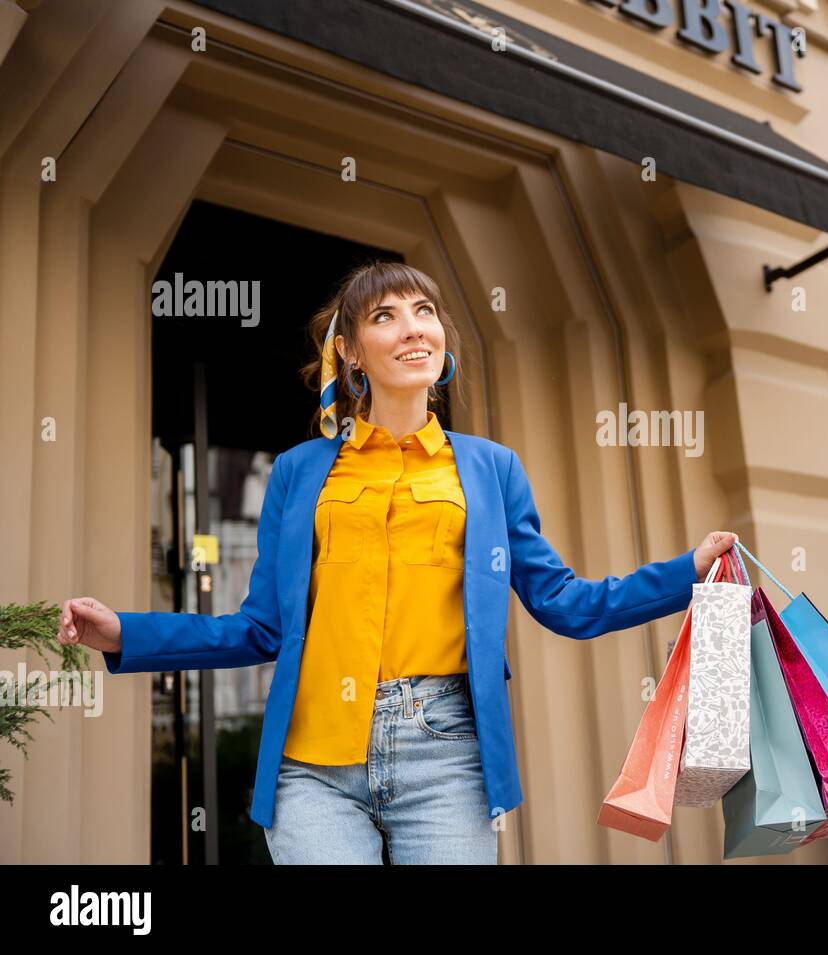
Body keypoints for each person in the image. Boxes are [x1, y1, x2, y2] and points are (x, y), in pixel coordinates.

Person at [57, 260, 737, 864]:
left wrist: (687, 571)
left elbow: (566, 602)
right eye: (385, 315)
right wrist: (127, 633)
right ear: (350, 352)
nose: (413, 328)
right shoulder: (299, 474)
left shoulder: (491, 470)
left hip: (444, 753)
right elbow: (258, 628)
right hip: (311, 764)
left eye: (425, 311)